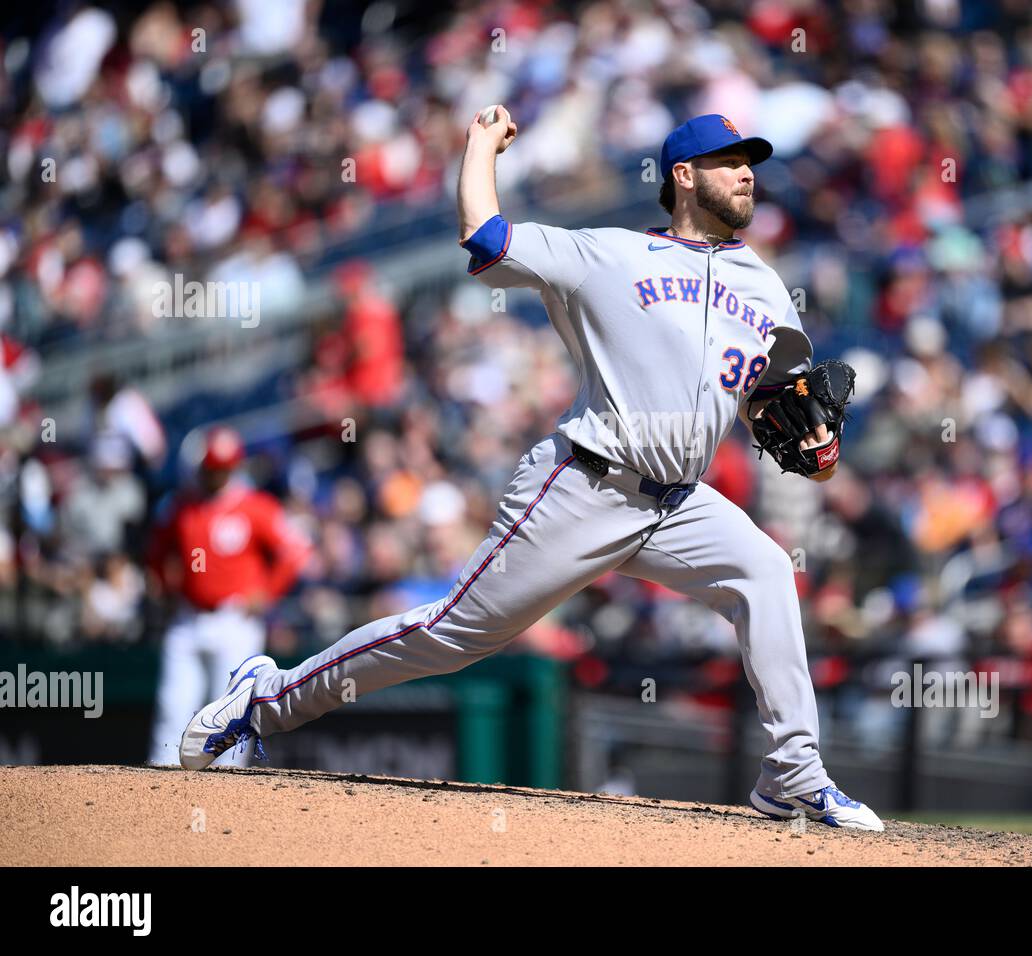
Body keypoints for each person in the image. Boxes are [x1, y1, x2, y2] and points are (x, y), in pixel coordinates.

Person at [179, 110, 885, 831]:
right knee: (451, 634)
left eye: (751, 161)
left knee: (765, 571)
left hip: (677, 504)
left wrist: (818, 445)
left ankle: (791, 774)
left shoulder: (763, 286)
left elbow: (775, 410)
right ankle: (264, 699)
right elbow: (485, 238)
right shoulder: (603, 254)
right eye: (730, 159)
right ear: (683, 175)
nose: (746, 173)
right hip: (585, 484)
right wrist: (481, 146)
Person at [147, 426, 311, 767]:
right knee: (173, 704)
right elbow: (156, 555)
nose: (216, 474)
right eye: (211, 467)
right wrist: (165, 587)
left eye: (223, 467)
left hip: (234, 619)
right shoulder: (182, 507)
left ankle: (228, 790)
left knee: (229, 713)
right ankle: (159, 780)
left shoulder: (255, 506)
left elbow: (295, 551)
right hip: (188, 618)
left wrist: (267, 592)